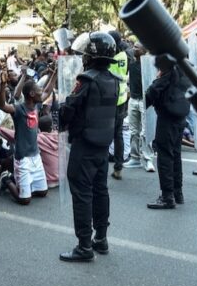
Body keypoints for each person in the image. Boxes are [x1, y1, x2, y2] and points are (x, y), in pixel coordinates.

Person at [58, 32, 119, 262]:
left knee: (82, 194)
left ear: (91, 57)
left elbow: (69, 109)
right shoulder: (113, 80)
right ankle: (101, 239)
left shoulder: (86, 80)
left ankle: (84, 245)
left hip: (84, 145)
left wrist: (60, 111)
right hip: (103, 145)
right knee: (100, 191)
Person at [145, 55, 190, 209]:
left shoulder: (169, 71)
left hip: (167, 118)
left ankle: (167, 197)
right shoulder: (185, 68)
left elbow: (152, 92)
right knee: (175, 155)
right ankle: (178, 193)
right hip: (180, 117)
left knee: (165, 156)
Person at [0, 69, 48, 205]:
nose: (41, 92)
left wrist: (54, 72)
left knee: (42, 192)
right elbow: (2, 105)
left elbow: (47, 91)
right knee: (24, 200)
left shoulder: (36, 105)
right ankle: (6, 179)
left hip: (36, 157)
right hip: (23, 158)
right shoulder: (19, 109)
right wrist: (2, 85)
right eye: (38, 90)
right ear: (31, 94)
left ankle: (26, 184)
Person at [123, 42, 155, 173]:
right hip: (133, 99)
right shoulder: (131, 64)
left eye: (137, 47)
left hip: (144, 100)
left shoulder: (149, 64)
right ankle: (135, 158)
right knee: (133, 131)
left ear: (144, 50)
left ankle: (148, 159)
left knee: (145, 132)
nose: (133, 49)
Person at [108, 31, 129, 179]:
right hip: (121, 99)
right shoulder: (124, 56)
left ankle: (102, 165)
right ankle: (118, 167)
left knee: (106, 133)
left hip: (110, 99)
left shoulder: (112, 59)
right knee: (118, 134)